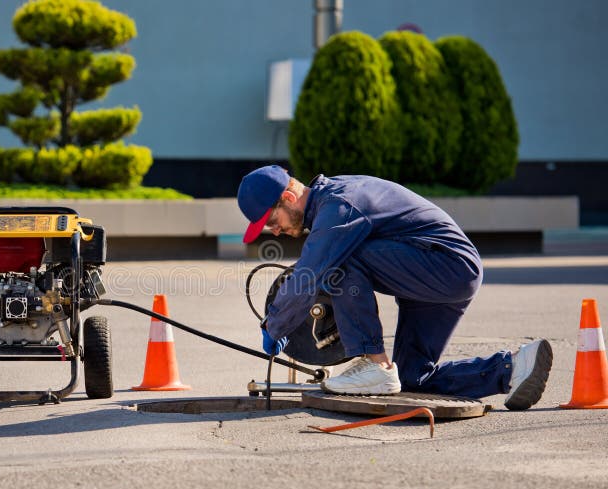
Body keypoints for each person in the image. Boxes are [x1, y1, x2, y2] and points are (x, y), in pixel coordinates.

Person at [237, 165, 553, 410]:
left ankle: (373, 364)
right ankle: (512, 369)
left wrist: (275, 325)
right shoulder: (332, 200)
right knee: (412, 379)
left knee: (340, 259)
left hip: (446, 264)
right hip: (435, 276)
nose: (273, 231)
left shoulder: (338, 205)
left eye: (270, 221)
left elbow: (309, 274)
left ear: (289, 198)